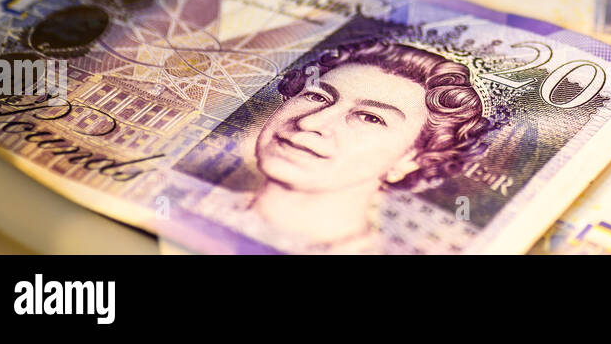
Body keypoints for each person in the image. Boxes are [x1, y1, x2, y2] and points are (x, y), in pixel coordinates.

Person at [203, 38, 489, 252]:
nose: (309, 123)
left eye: (370, 117)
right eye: (317, 96)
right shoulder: (192, 201)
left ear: (415, 159)